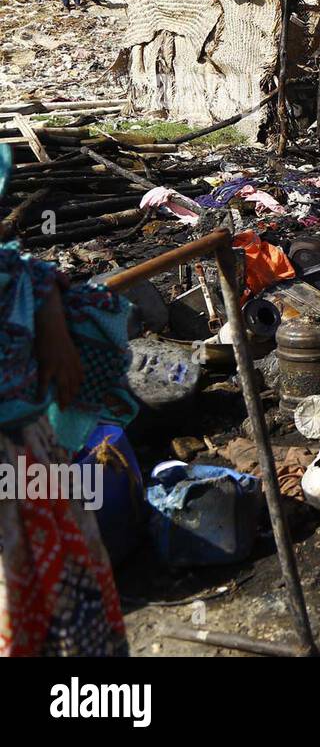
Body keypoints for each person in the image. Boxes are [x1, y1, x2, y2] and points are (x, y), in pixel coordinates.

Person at [0, 144, 136, 656]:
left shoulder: (18, 278)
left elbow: (37, 272)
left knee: (37, 589)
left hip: (25, 456)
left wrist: (52, 307)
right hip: (24, 456)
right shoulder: (19, 280)